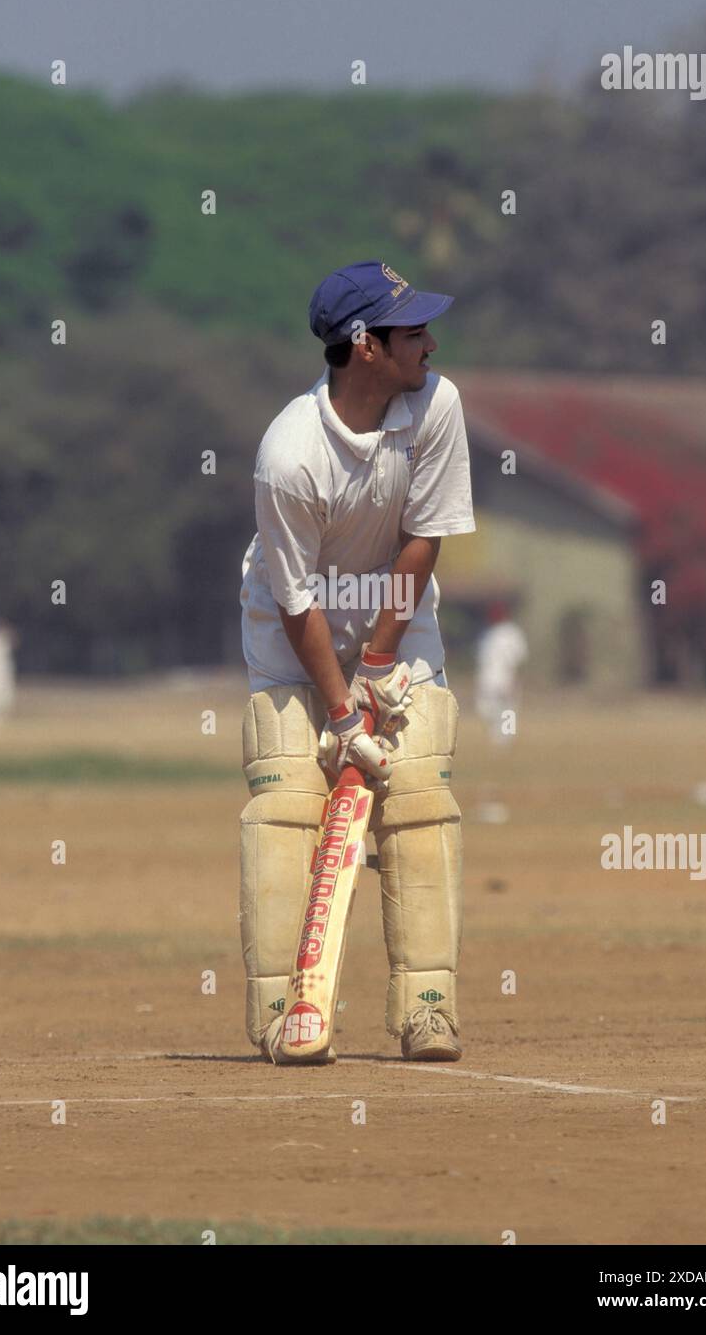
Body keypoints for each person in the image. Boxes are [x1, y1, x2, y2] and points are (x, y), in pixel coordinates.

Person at [239, 260, 475, 1065]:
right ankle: (284, 1011)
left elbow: (422, 539)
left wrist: (376, 666)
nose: (431, 345)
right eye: (413, 333)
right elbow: (296, 601)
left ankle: (427, 1009)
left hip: (397, 629)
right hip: (289, 632)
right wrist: (340, 714)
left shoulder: (434, 404)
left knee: (417, 799)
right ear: (364, 345)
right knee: (285, 809)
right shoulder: (289, 456)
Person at [475, 601, 528, 745]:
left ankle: (505, 745)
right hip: (488, 679)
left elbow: (518, 659)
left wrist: (514, 679)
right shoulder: (487, 634)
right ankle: (497, 740)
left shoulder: (512, 633)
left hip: (506, 677)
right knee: (487, 710)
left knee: (508, 712)